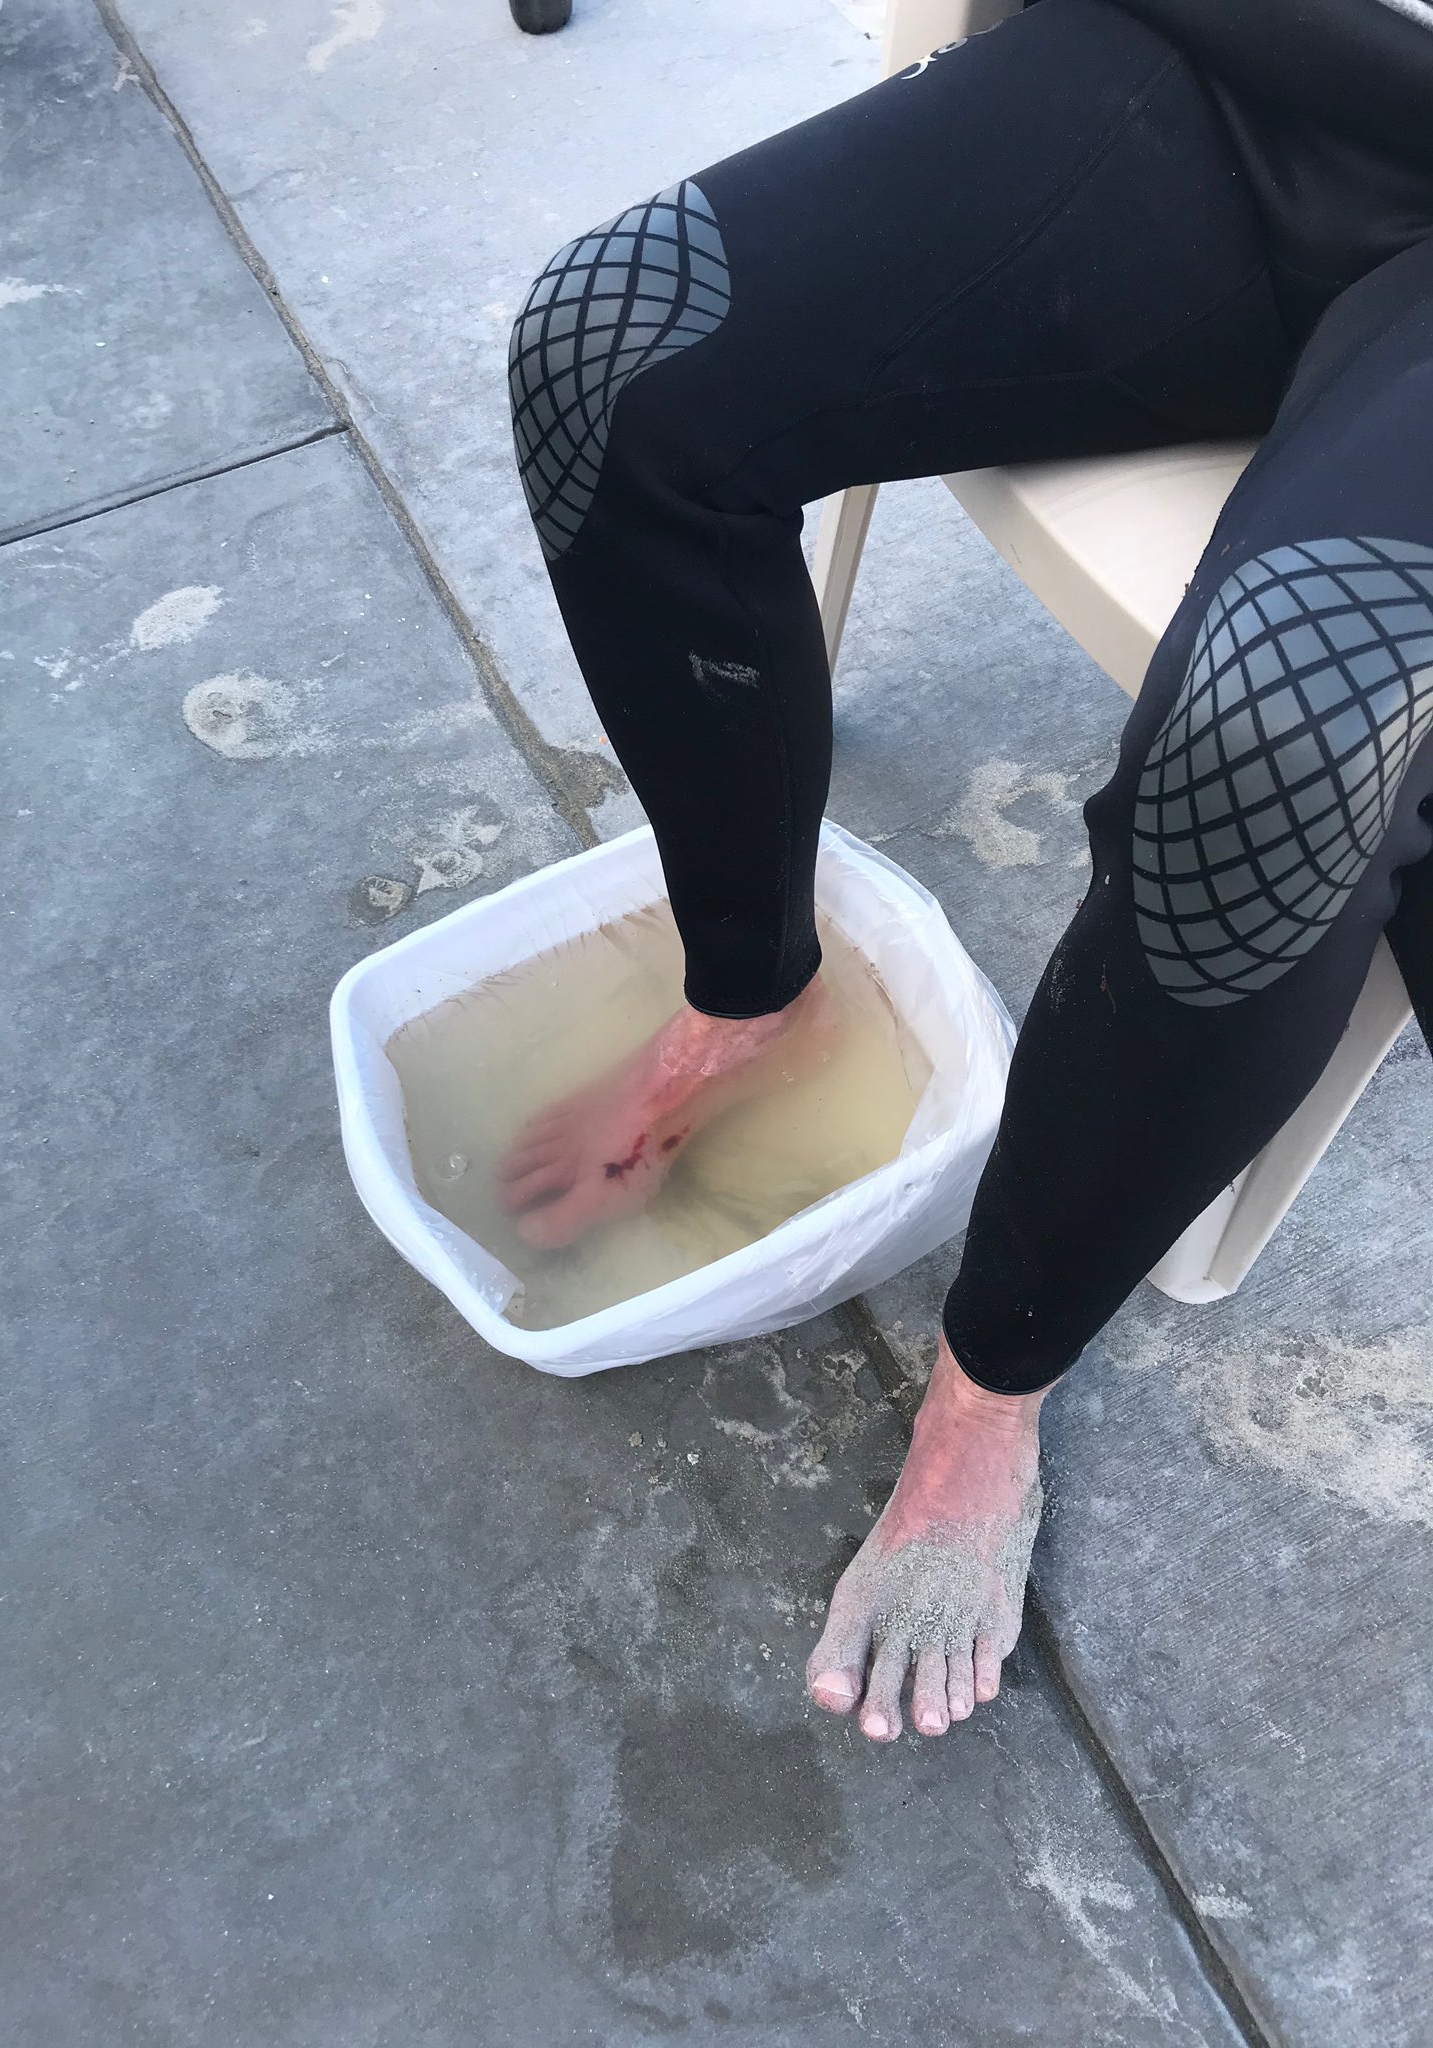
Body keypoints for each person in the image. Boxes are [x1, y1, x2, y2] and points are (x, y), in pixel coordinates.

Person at [502, 0, 1433, 1742]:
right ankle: (748, 987)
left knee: (1285, 726)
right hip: (1268, 66)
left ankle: (989, 1387)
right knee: (610, 346)